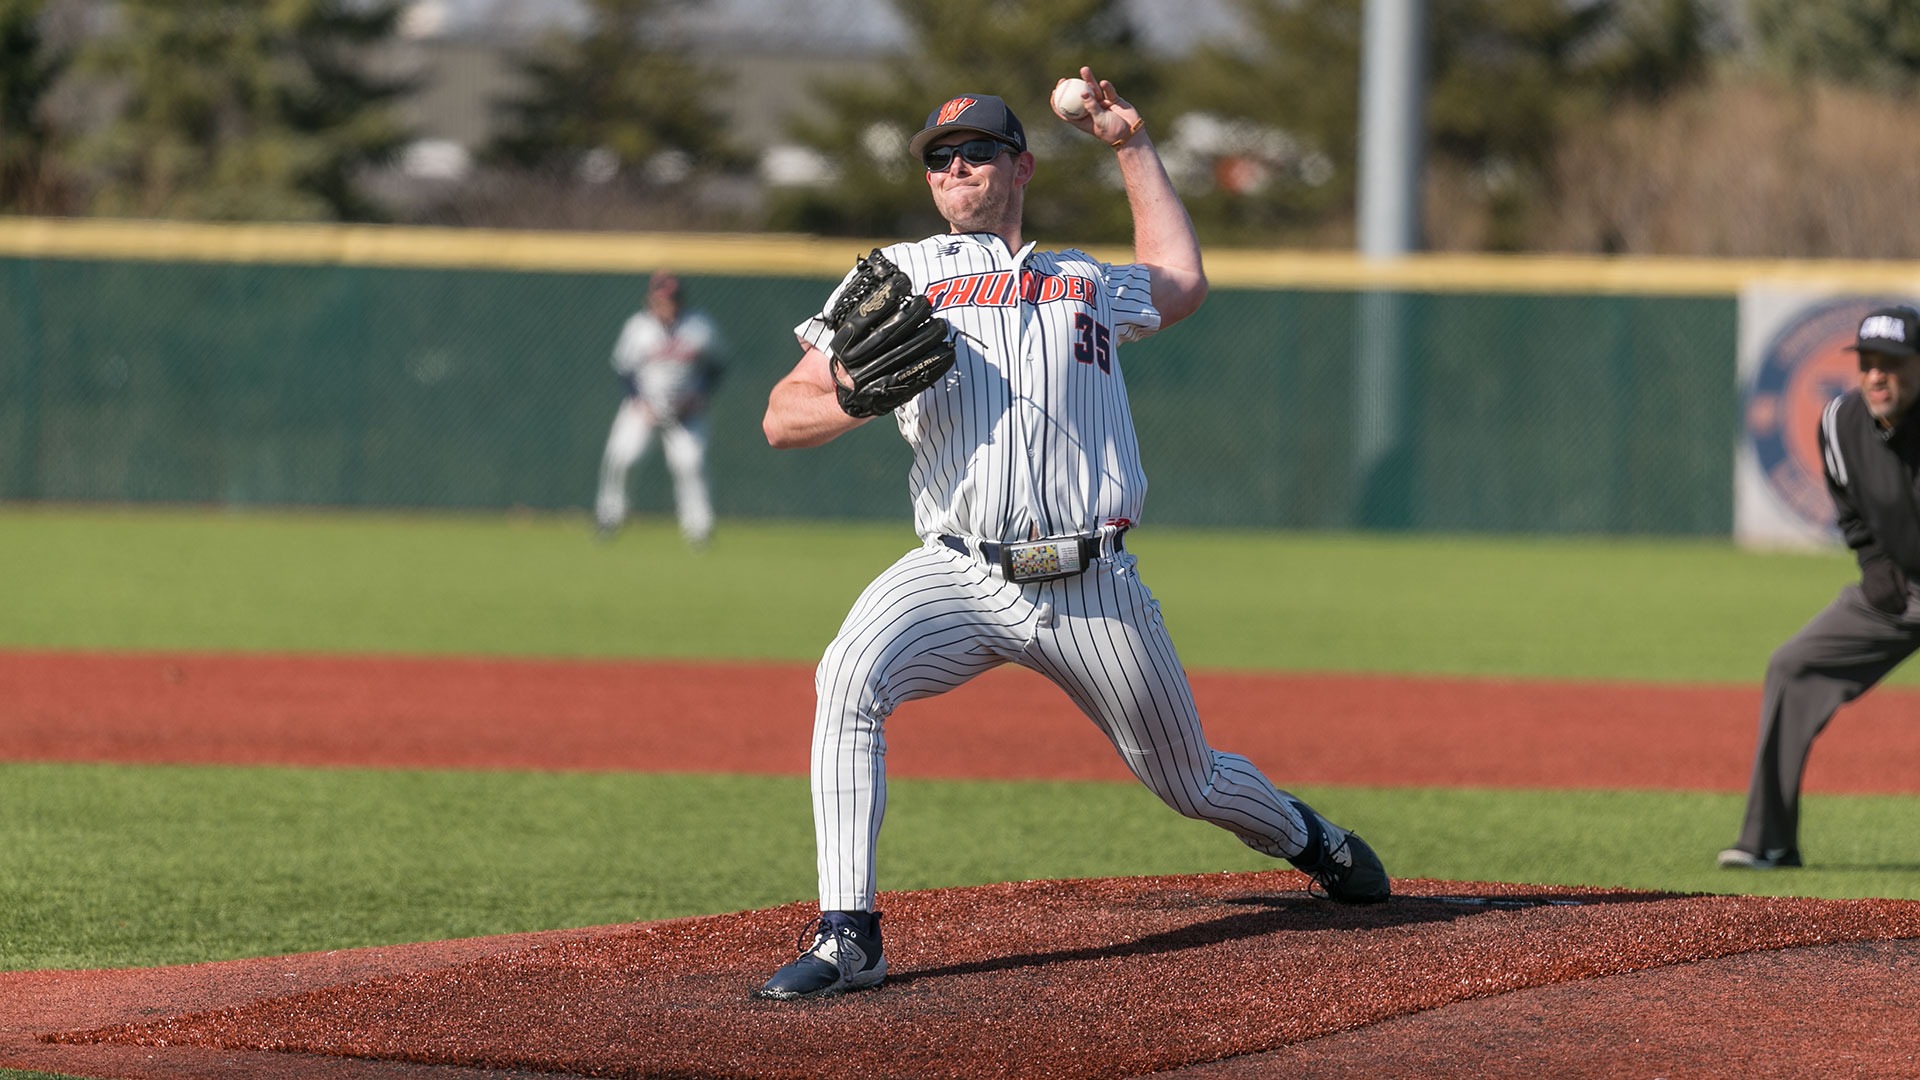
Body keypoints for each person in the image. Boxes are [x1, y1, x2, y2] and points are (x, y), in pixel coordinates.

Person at [751, 69, 1389, 1002]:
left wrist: (1130, 143)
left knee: (1191, 780)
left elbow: (1182, 282)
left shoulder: (1081, 279)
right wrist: (849, 394)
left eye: (975, 152)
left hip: (1092, 584)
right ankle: (851, 934)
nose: (955, 167)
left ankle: (1309, 840)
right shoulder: (900, 275)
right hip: (958, 573)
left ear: (1022, 166)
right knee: (848, 676)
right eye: (939, 159)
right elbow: (781, 414)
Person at [1722, 303, 1920, 870]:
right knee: (1794, 665)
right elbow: (1851, 509)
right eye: (1869, 363)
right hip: (1899, 589)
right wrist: (1874, 562)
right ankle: (1769, 839)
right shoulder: (1839, 423)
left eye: (1895, 362)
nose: (1879, 375)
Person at [594, 270, 725, 546]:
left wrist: (699, 395)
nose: (666, 304)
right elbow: (624, 370)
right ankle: (609, 516)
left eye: (671, 299)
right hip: (644, 407)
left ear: (680, 300)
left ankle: (699, 529)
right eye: (660, 299)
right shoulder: (637, 328)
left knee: (690, 464)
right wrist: (639, 401)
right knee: (622, 457)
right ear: (651, 300)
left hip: (685, 411)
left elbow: (716, 366)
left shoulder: (699, 327)